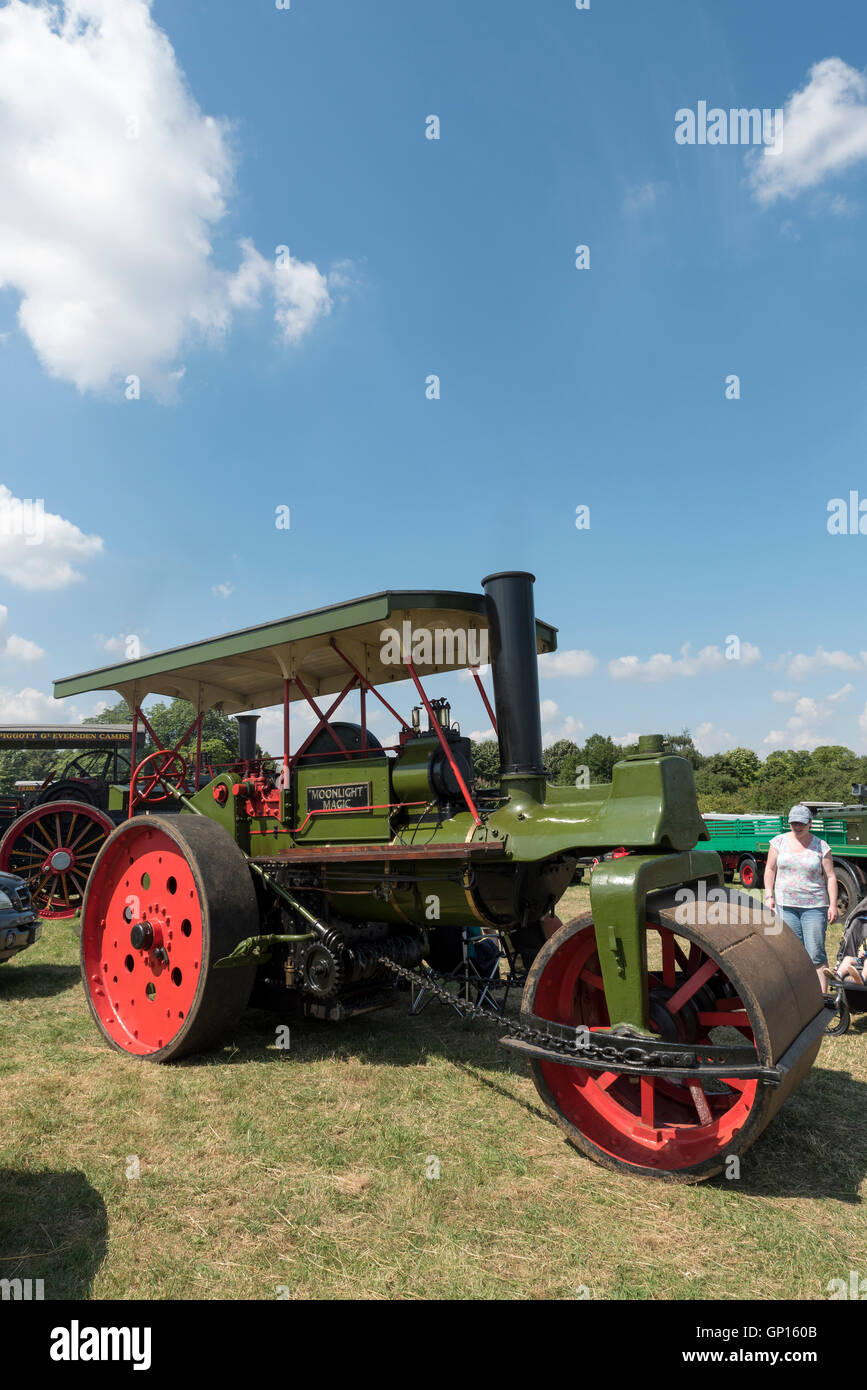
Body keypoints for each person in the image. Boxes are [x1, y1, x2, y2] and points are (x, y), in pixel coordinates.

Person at [764, 804, 837, 990]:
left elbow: (830, 877)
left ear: (810, 823)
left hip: (814, 907)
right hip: (785, 906)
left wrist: (833, 905)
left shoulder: (821, 846)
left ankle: (822, 998)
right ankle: (802, 995)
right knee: (794, 953)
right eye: (794, 823)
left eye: (801, 823)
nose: (797, 827)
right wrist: (768, 895)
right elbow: (770, 869)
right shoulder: (778, 842)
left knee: (815, 954)